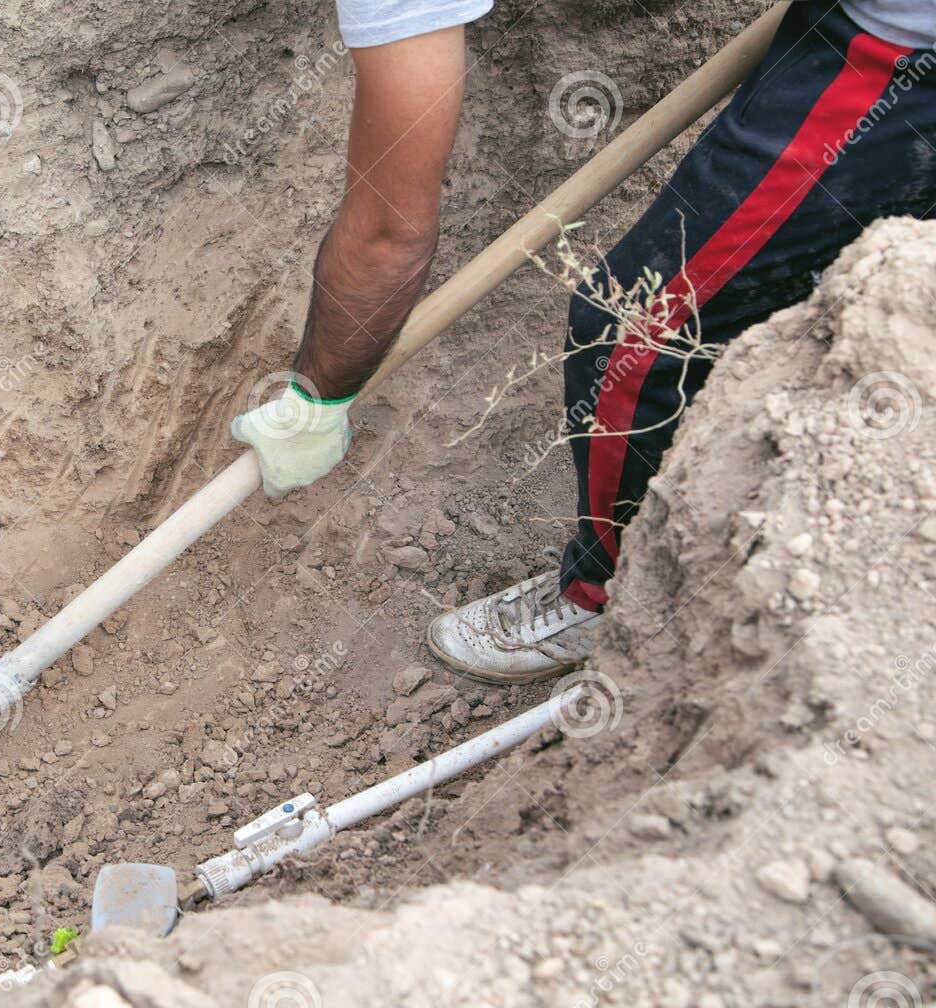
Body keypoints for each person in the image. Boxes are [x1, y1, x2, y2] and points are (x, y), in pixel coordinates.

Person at [230, 0, 936, 684]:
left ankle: (603, 597)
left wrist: (318, 399)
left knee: (630, 337)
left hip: (903, 53)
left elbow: (388, 235)